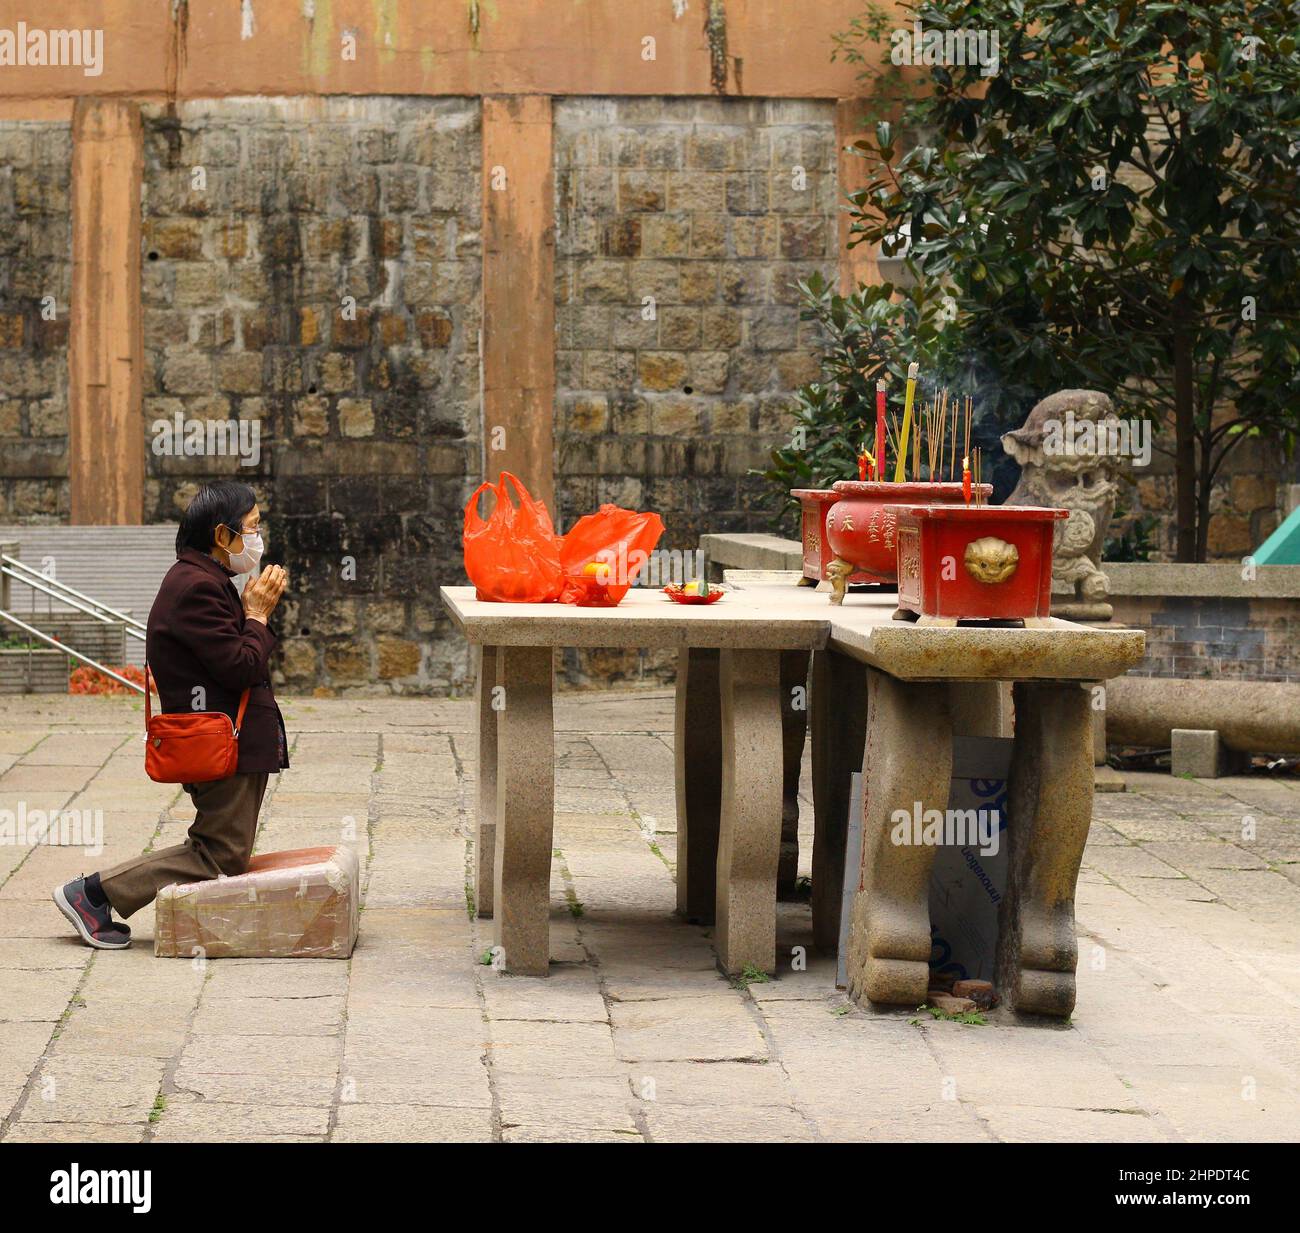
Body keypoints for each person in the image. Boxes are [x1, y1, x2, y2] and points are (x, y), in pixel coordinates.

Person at [53, 481, 289, 949]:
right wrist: (258, 616)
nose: (259, 539)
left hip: (225, 735)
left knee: (223, 853)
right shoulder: (196, 587)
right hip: (221, 739)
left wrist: (247, 614)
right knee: (218, 856)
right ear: (222, 536)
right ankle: (92, 894)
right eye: (253, 528)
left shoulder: (206, 580)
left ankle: (98, 895)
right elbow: (242, 665)